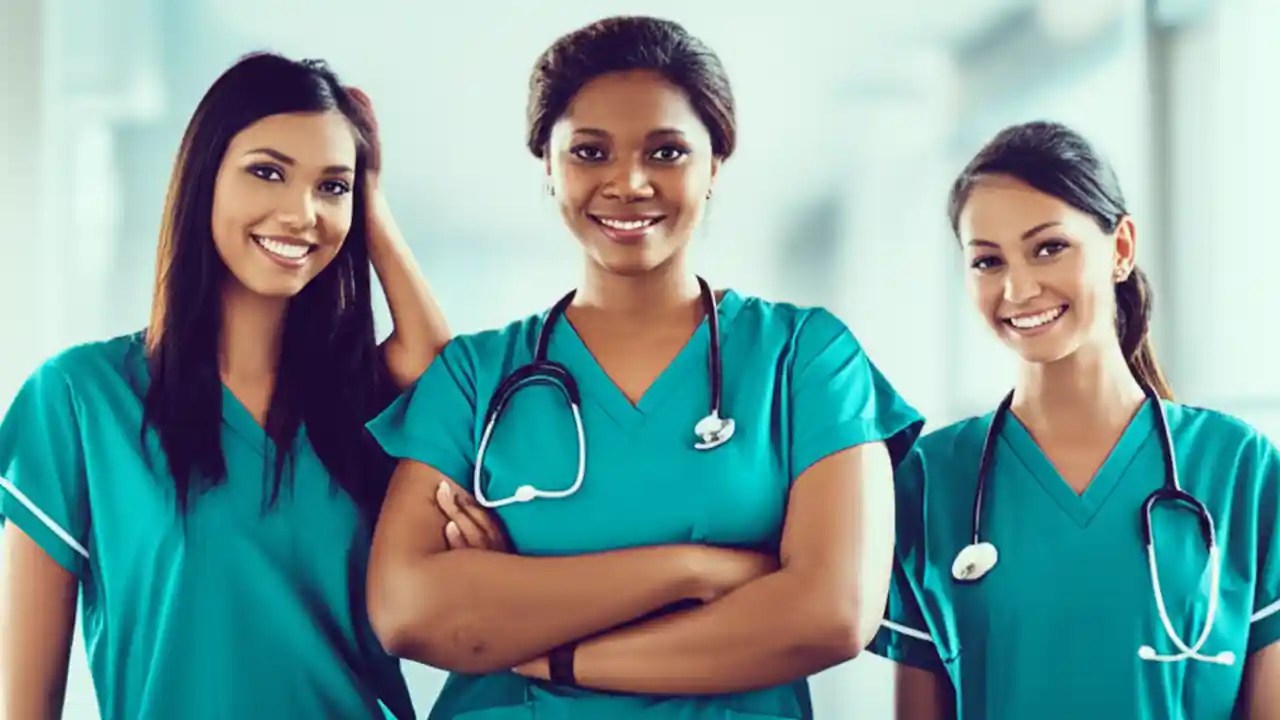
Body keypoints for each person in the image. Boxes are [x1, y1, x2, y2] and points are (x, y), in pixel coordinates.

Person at [363, 14, 924, 720]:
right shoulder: (475, 376)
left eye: (666, 152)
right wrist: (691, 571)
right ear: (548, 166)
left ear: (715, 163)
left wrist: (543, 640)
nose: (628, 182)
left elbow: (833, 612)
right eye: (590, 152)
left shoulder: (806, 359)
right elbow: (407, 610)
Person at [0, 53, 450, 719]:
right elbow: (24, 705)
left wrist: (370, 198)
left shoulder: (356, 405)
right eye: (267, 172)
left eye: (331, 187)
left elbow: (433, 360)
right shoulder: (77, 401)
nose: (301, 213)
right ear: (204, 177)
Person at [867, 120, 1280, 719]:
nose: (1018, 286)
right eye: (987, 261)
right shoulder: (930, 480)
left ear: (1120, 249)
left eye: (1048, 247)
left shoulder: (1241, 469)